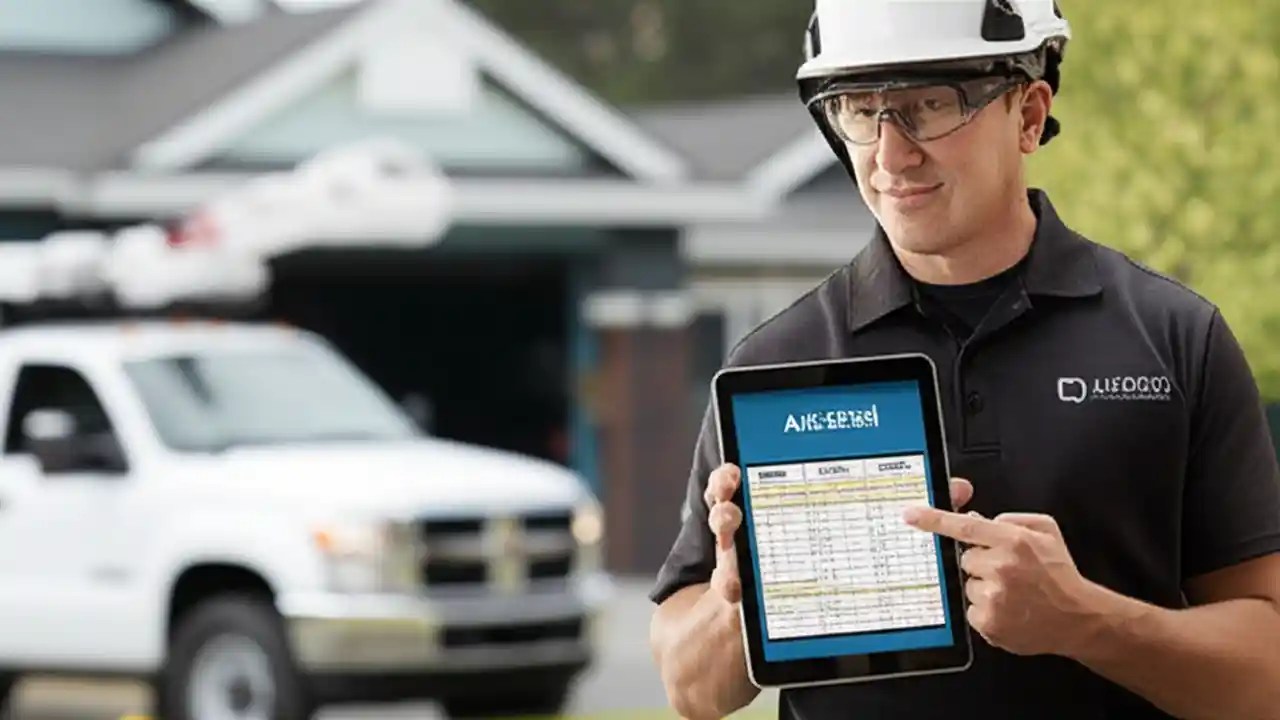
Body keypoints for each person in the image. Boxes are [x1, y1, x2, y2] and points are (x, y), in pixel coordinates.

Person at [647, 1, 1280, 719]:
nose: (891, 155)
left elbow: (1266, 678)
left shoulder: (1175, 339)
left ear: (1030, 114)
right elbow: (692, 692)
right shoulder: (776, 362)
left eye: (929, 105)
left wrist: (1084, 621)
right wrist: (740, 604)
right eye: (860, 109)